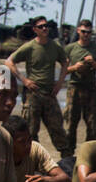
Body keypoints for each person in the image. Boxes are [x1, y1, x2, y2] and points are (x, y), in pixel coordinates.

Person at [5, 16, 69, 153]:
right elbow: (9, 62)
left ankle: (67, 158)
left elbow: (65, 62)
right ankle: (31, 160)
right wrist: (24, 80)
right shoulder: (29, 47)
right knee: (30, 130)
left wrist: (59, 83)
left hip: (50, 93)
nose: (44, 28)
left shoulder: (55, 46)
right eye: (40, 26)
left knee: (57, 128)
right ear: (35, 29)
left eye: (46, 26)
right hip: (33, 94)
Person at [63, 19, 96, 154]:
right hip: (74, 88)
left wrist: (93, 62)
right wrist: (74, 67)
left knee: (92, 124)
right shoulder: (70, 48)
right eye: (83, 31)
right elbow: (63, 70)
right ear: (78, 31)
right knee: (71, 123)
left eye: (88, 32)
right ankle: (69, 154)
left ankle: (90, 154)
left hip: (91, 89)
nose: (86, 34)